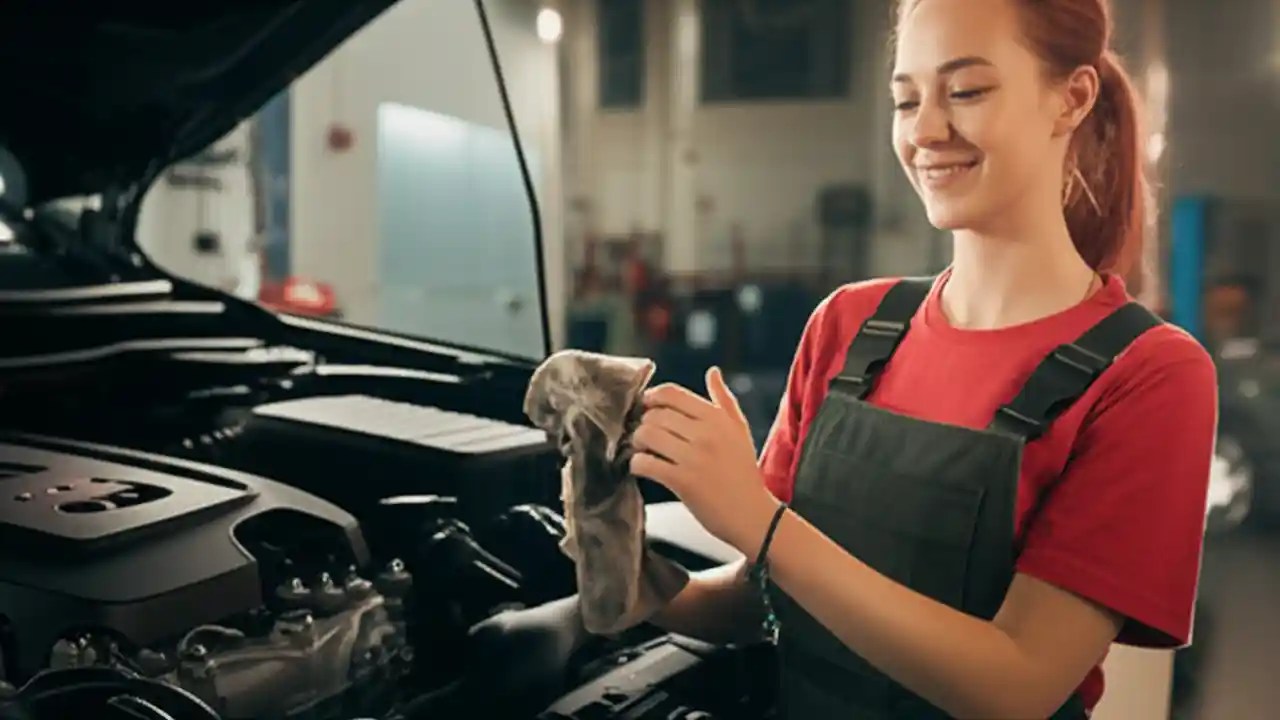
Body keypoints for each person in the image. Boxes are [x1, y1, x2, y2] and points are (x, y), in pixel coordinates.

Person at [629, 0, 1219, 718]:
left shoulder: (1149, 375)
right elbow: (768, 599)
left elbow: (1019, 683)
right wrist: (638, 584)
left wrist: (759, 521)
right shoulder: (849, 326)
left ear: (1072, 97)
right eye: (906, 99)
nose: (926, 131)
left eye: (966, 91)